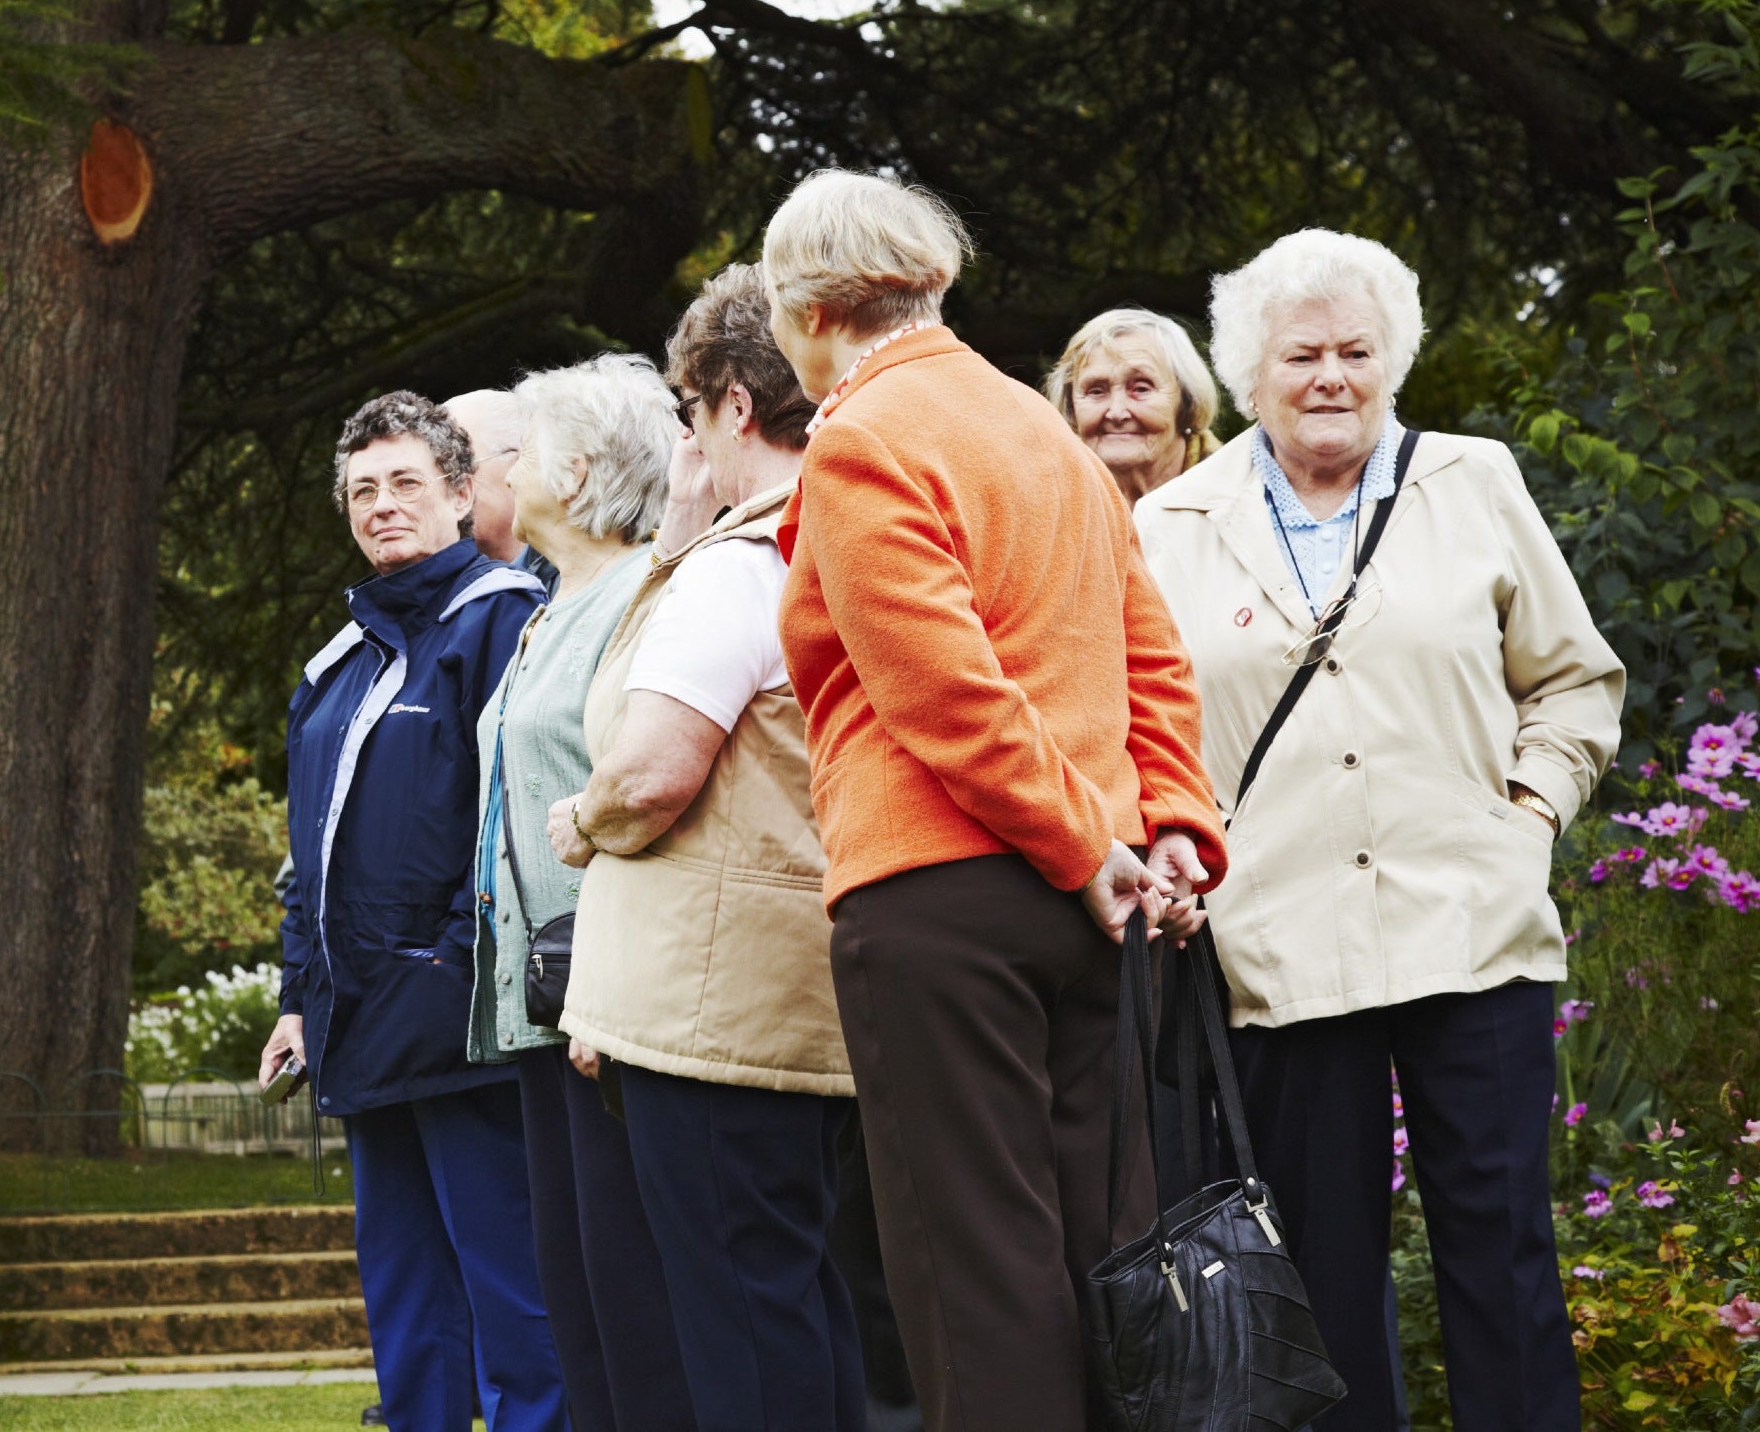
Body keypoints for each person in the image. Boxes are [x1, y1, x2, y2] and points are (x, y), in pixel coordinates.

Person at [763, 168, 1231, 1432]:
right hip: (1096, 902)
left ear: (808, 307)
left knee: (974, 1272)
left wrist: (1088, 848)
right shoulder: (1046, 434)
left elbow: (940, 691)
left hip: (945, 894)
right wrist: (1167, 831)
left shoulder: (863, 437)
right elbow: (1152, 659)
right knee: (1104, 1254)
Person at [1131, 229, 1621, 1432]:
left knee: (1503, 1255)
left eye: (1357, 350)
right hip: (1279, 943)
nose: (1331, 377)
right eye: (1303, 354)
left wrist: (1527, 813)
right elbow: (1137, 725)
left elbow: (1572, 680)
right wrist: (1171, 841)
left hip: (1472, 924)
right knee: (1321, 1277)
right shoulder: (1172, 521)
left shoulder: (1472, 480)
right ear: (1250, 369)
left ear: (1394, 358)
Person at [547, 262, 865, 1432]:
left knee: (737, 1313)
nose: (691, 439)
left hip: (714, 1014)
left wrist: (577, 822)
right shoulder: (829, 535)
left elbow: (651, 770)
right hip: (781, 993)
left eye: (693, 411)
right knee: (792, 1290)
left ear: (734, 402)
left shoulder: (741, 572)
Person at [262, 391, 564, 1432]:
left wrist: (445, 970)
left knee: (517, 1305)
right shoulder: (335, 667)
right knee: (408, 1311)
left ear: (460, 493)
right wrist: (300, 999)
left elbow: (511, 834)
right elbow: (308, 863)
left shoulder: (506, 621)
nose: (381, 506)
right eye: (362, 490)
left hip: (466, 1031)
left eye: (404, 484)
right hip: (359, 1033)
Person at [457, 354, 689, 1432]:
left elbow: (658, 804)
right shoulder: (554, 606)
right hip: (540, 1011)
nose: (497, 467)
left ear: (582, 465)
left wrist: (604, 981)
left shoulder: (643, 601)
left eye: (524, 444)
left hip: (611, 1007)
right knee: (577, 1306)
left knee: (636, 1313)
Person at [1043, 307, 1223, 503]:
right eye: (1096, 391)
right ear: (1071, 408)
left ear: (1186, 401)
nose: (1117, 412)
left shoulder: (1235, 489)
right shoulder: (1046, 495)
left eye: (1141, 389)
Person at [447, 388, 560, 592]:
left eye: (456, 466)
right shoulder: (437, 598)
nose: (441, 488)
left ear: (523, 460)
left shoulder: (583, 574)